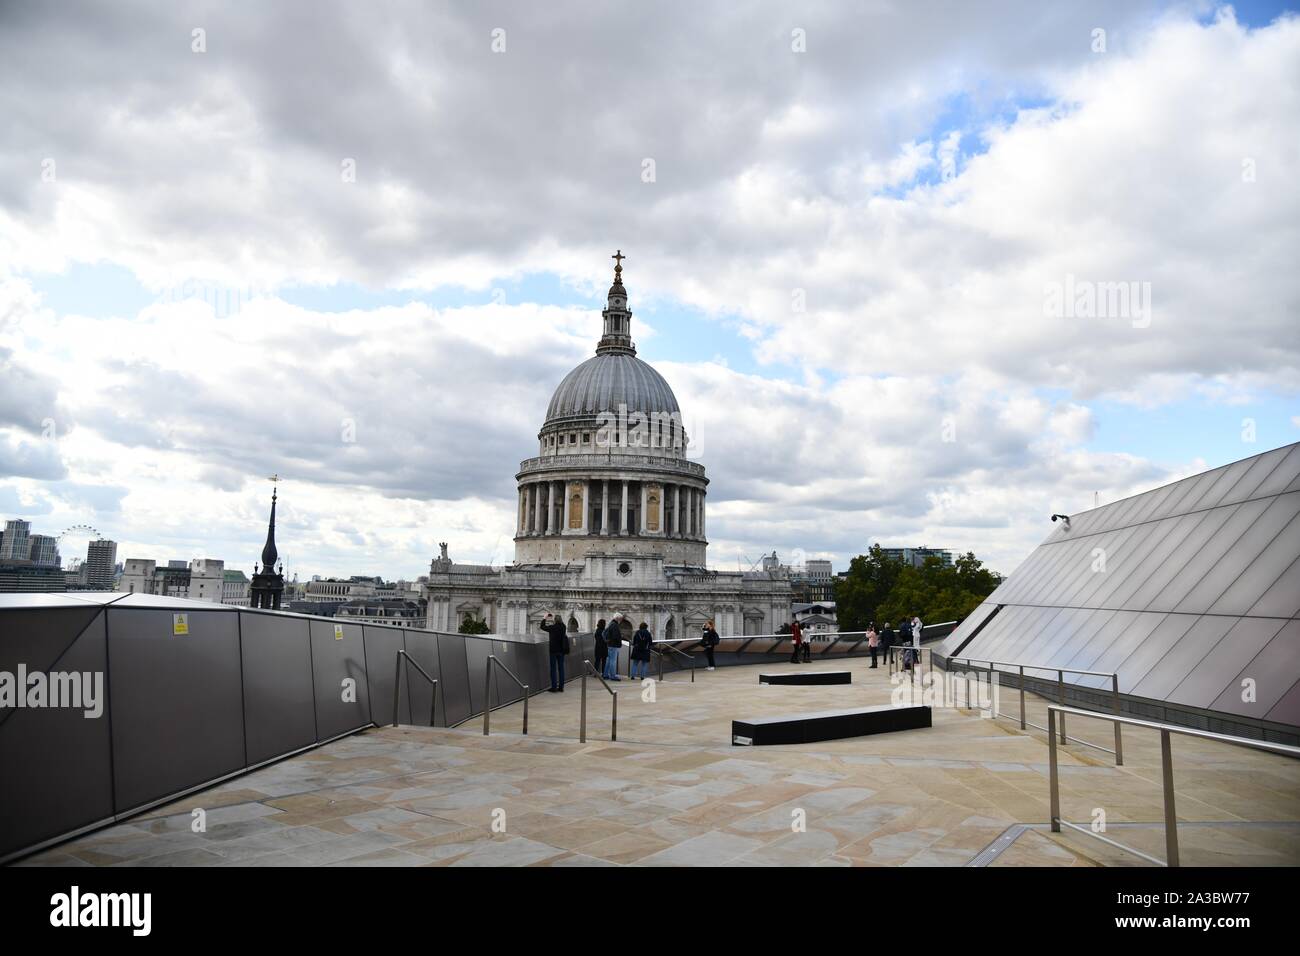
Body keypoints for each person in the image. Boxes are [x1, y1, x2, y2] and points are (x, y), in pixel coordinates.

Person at [539, 613, 570, 692]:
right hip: (561, 650)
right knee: (561, 669)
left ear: (554, 621)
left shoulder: (552, 627)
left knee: (553, 669)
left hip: (553, 651)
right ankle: (561, 687)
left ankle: (554, 687)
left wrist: (544, 618)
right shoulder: (563, 627)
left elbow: (542, 626)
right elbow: (561, 623)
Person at [604, 614, 624, 680]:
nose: (621, 620)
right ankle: (613, 676)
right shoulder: (615, 625)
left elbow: (604, 633)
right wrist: (619, 641)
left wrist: (607, 641)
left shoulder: (611, 624)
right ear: (618, 619)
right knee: (613, 661)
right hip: (613, 645)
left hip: (609, 645)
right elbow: (616, 636)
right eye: (620, 619)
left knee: (609, 660)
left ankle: (605, 674)